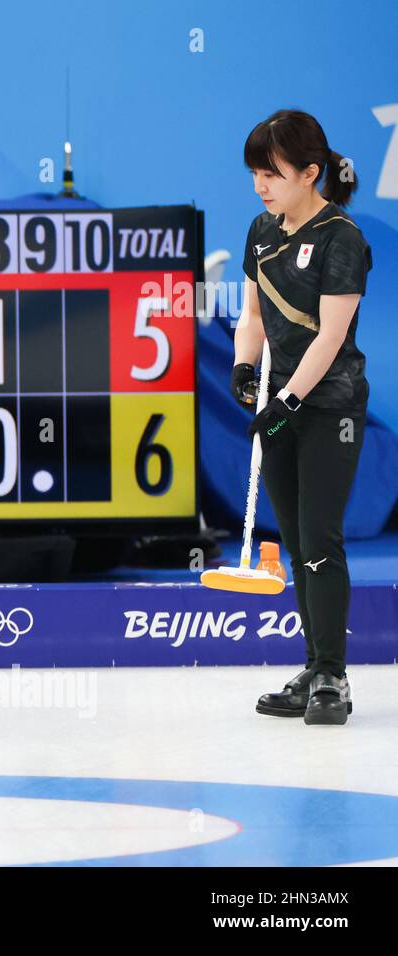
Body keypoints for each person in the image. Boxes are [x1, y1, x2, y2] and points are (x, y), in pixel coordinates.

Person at [231, 109, 371, 726]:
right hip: (281, 404)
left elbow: (331, 337)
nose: (262, 185)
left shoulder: (342, 237)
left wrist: (286, 405)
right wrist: (243, 367)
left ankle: (334, 678)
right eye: (256, 173)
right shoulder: (261, 232)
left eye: (273, 173)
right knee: (292, 543)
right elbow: (256, 317)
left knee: (319, 540)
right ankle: (313, 666)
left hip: (330, 404)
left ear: (310, 173)